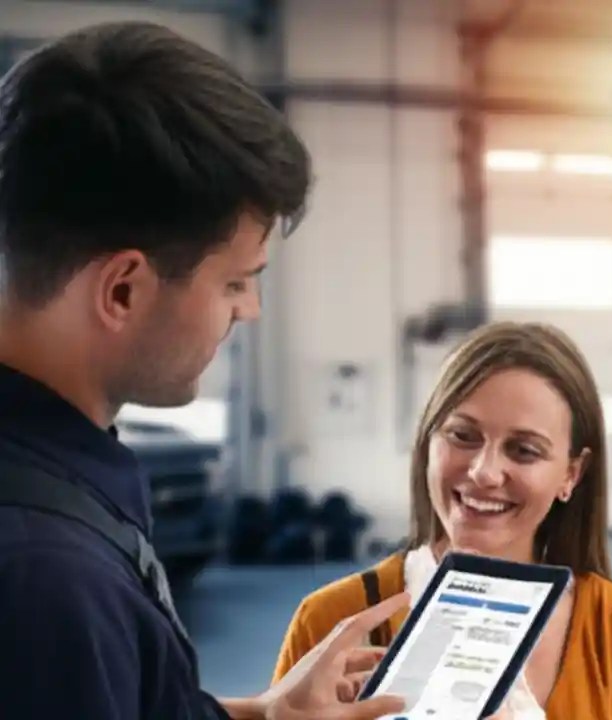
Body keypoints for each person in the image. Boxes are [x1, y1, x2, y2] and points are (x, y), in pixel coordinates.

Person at [0, 21, 409, 720]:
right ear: (122, 290)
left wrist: (265, 714)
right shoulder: (48, 580)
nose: (249, 310)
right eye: (235, 283)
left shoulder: (59, 468)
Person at [272, 322, 612, 719]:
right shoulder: (330, 622)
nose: (484, 472)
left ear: (571, 474)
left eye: (524, 450)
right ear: (427, 442)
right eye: (462, 436)